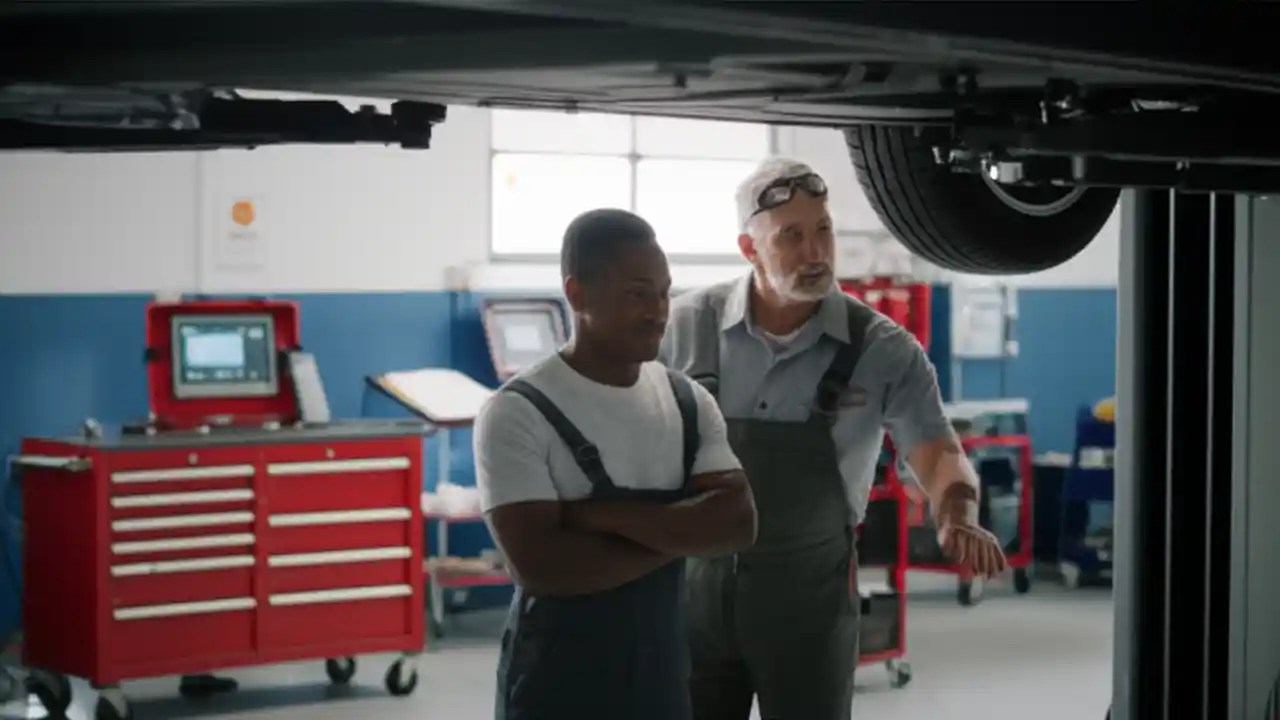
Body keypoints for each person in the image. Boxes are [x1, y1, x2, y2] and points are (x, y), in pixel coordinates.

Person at [660, 157, 1009, 720]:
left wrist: (958, 510)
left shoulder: (883, 350)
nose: (815, 252)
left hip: (809, 605)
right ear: (749, 249)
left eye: (822, 230)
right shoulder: (683, 328)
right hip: (692, 600)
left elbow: (937, 450)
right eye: (791, 237)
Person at [474, 208, 759, 720]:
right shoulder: (517, 412)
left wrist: (599, 517)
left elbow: (738, 523)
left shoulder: (686, 401)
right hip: (555, 690)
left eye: (664, 293)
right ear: (577, 293)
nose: (657, 311)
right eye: (636, 293)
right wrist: (681, 534)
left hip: (664, 684)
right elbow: (543, 566)